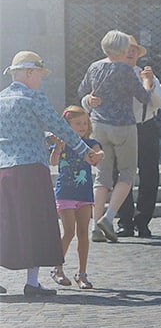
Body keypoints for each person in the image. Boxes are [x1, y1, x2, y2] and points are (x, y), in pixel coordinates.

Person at [0, 51, 102, 296]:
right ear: (29, 73)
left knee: (6, 221)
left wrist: (44, 137)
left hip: (3, 167)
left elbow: (17, 132)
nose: (40, 80)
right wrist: (84, 150)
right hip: (31, 168)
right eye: (39, 74)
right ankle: (32, 282)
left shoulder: (1, 98)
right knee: (36, 221)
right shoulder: (34, 97)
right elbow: (59, 125)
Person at [82, 36, 161, 238]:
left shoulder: (144, 74)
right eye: (127, 49)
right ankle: (124, 222)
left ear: (138, 54)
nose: (130, 52)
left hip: (143, 128)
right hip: (122, 128)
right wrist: (88, 100)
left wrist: (150, 83)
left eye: (134, 50)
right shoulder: (113, 71)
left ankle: (142, 221)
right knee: (119, 175)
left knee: (148, 175)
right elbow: (85, 95)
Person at [48, 106, 102, 289]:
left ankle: (82, 273)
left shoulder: (90, 143)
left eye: (85, 123)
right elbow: (53, 162)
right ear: (67, 126)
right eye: (78, 123)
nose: (83, 126)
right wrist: (58, 147)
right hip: (65, 193)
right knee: (69, 231)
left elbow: (97, 155)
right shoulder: (63, 143)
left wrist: (99, 154)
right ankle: (57, 269)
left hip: (84, 194)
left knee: (83, 233)